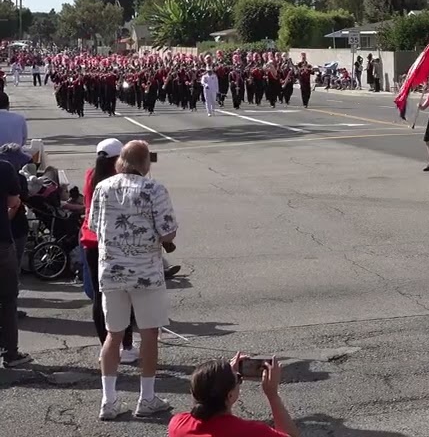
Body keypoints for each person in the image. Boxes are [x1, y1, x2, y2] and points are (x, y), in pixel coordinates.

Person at [90, 140, 179, 420]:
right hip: (145, 273)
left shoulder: (102, 187)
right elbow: (168, 232)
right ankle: (147, 397)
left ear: (120, 162)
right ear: (145, 164)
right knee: (149, 333)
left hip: (111, 271)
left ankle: (109, 400)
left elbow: (93, 225)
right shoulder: (154, 189)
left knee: (114, 335)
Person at [82, 139, 137, 364]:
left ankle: (106, 347)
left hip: (91, 240)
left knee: (99, 295)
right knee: (125, 295)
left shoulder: (90, 175)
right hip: (116, 243)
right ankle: (126, 345)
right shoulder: (120, 182)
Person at [168, 354, 299, 437]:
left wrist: (225, 374)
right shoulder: (252, 432)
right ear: (230, 396)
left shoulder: (177, 424)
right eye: (238, 379)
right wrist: (272, 395)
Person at [1, 159, 31, 368]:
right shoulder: (4, 168)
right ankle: (11, 353)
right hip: (1, 243)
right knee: (8, 299)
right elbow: (13, 202)